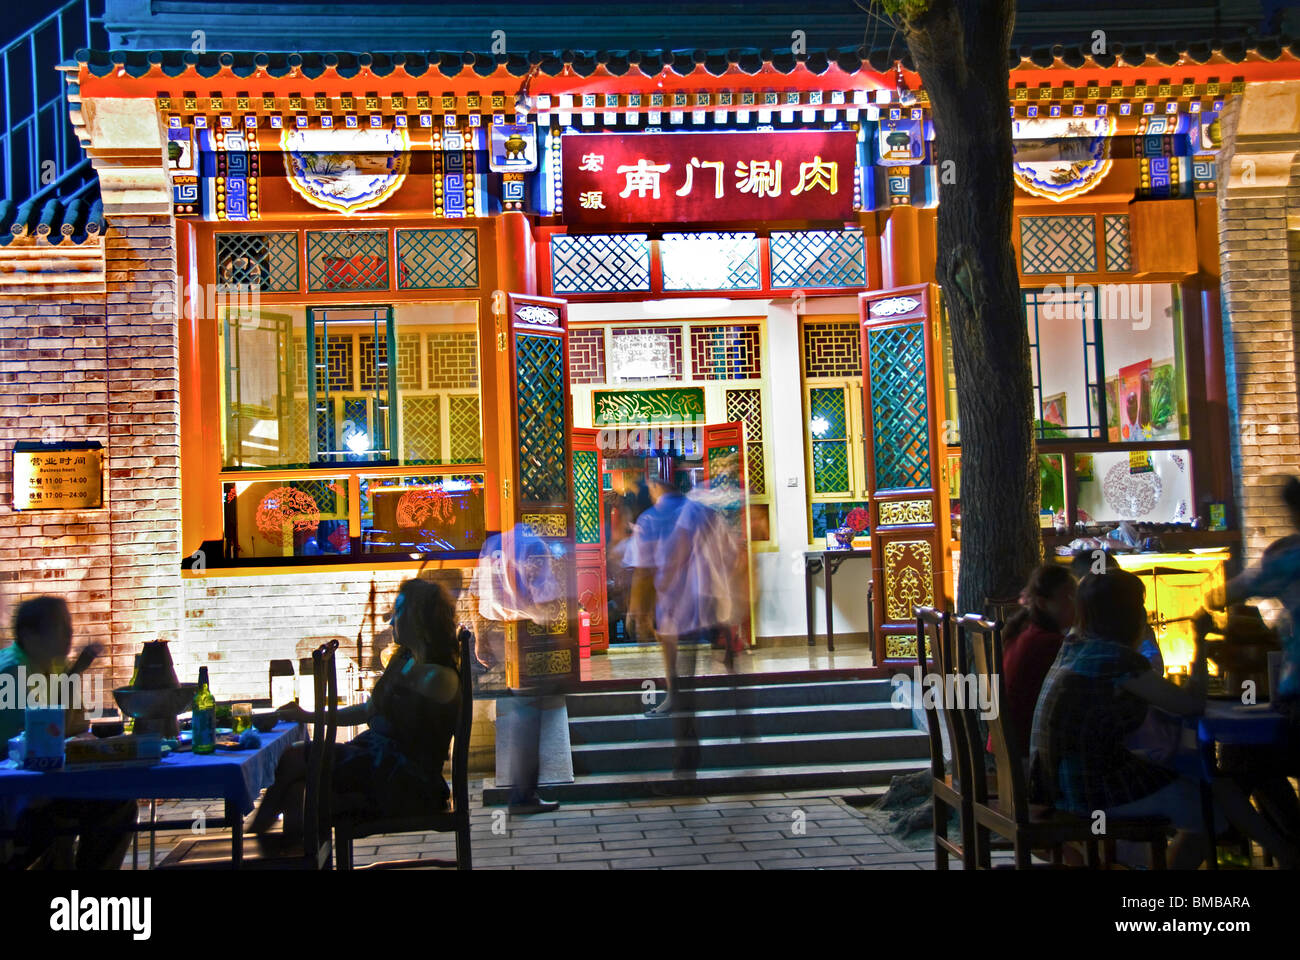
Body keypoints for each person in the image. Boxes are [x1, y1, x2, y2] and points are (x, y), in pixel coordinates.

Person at [1029, 570, 1299, 869]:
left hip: (1061, 785)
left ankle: (1287, 853)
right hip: (1093, 790)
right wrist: (1200, 642)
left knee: (1215, 784)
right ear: (1130, 613)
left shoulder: (1074, 647)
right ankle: (1285, 852)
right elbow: (1189, 705)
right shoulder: (1112, 658)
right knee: (1210, 810)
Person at [251, 578, 461, 844]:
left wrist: (386, 697)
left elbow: (386, 719)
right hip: (377, 762)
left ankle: (257, 847)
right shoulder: (405, 661)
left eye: (397, 611)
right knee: (296, 789)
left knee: (296, 760)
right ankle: (283, 856)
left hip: (406, 780)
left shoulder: (438, 677)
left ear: (418, 617)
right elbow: (368, 711)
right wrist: (306, 714)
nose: (389, 620)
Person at [0, 596, 135, 870]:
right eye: (61, 626)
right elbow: (38, 740)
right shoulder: (12, 672)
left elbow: (76, 727)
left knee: (117, 798)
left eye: (69, 625)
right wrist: (76, 673)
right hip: (21, 796)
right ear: (30, 635)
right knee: (114, 804)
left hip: (50, 782)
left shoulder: (53, 664)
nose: (71, 633)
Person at [470, 523, 564, 815]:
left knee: (522, 706)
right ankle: (522, 795)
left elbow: (475, 594)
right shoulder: (536, 546)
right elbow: (545, 599)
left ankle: (522, 792)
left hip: (497, 632)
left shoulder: (491, 545)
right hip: (527, 633)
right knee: (528, 709)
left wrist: (480, 637)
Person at [998, 564, 1075, 759]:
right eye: (1067, 598)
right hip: (1028, 753)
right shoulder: (1048, 644)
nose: (1075, 605)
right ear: (1042, 603)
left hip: (1008, 749)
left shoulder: (1026, 632)